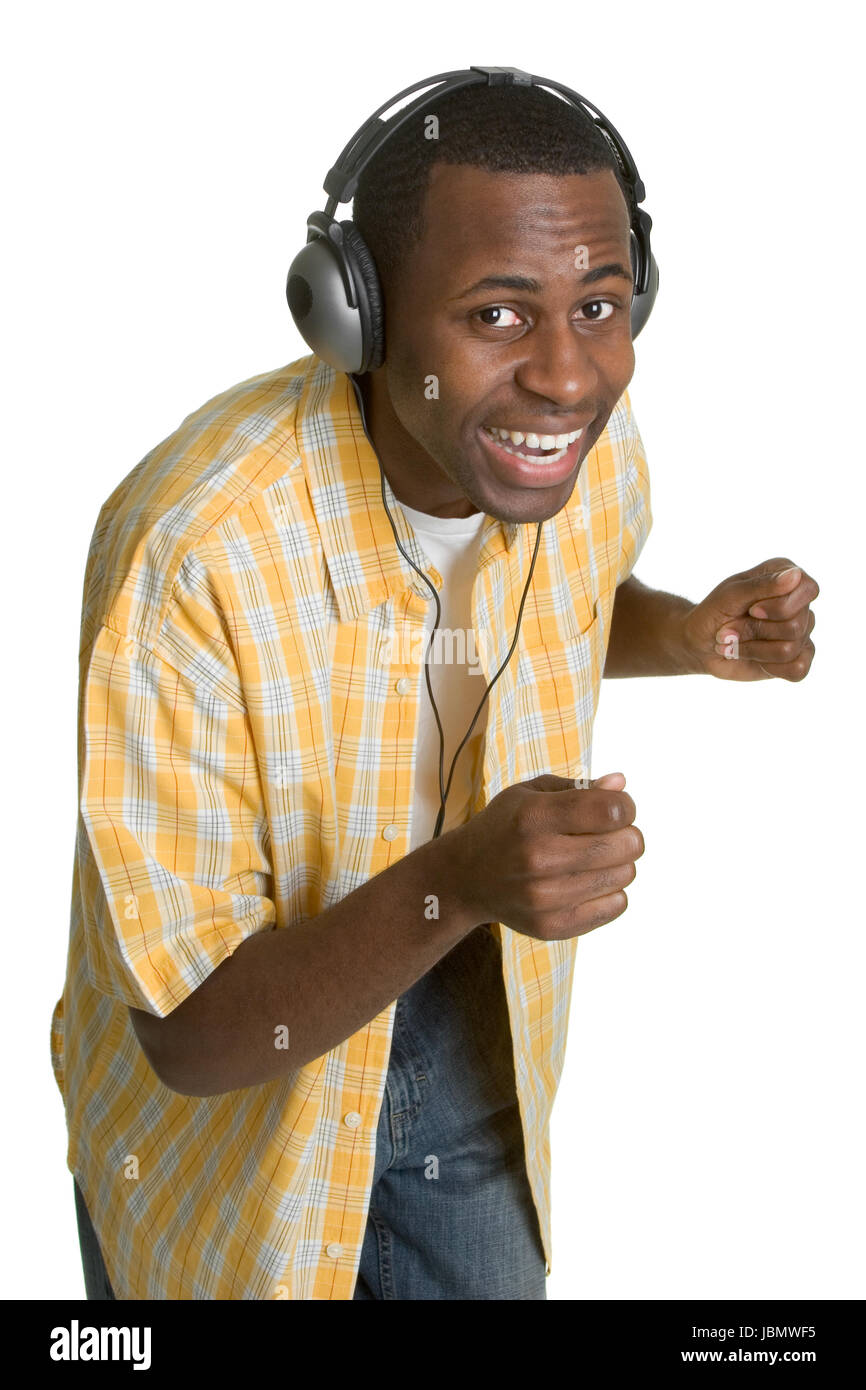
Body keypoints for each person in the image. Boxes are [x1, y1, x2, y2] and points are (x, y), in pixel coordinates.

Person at [51, 70, 818, 1302]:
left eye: (602, 304)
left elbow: (538, 612)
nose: (569, 376)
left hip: (463, 1020)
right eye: (498, 316)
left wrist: (684, 632)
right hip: (240, 1104)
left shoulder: (572, 448)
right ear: (353, 314)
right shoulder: (193, 550)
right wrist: (461, 877)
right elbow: (188, 1037)